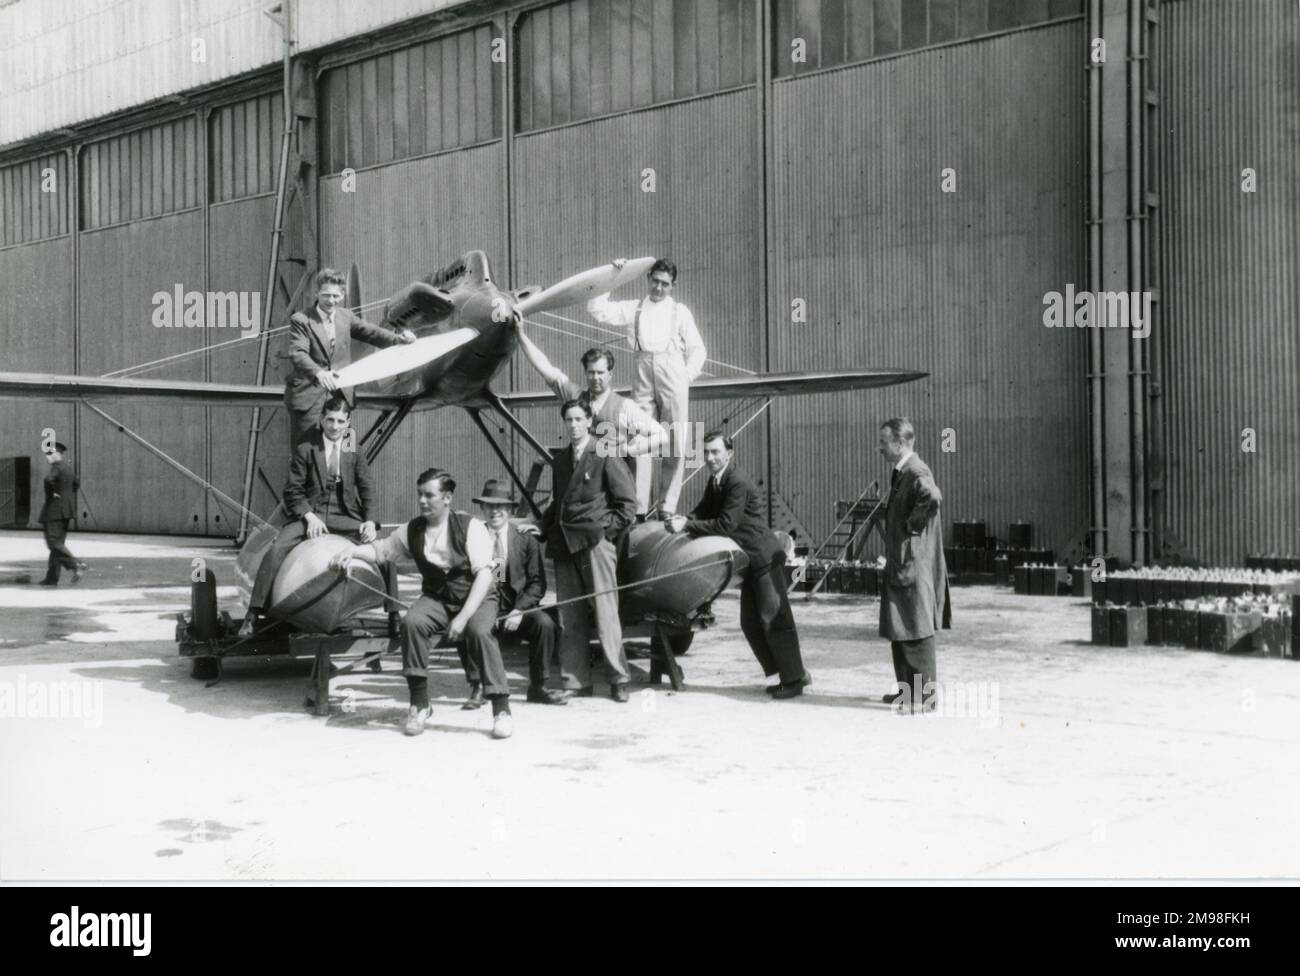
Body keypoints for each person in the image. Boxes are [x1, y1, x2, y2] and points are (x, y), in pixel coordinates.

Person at [331, 469, 513, 740]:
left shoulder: (470, 526)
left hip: (478, 595)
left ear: (448, 497)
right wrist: (352, 551)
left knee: (479, 631)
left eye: (430, 495)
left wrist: (463, 618)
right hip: (438, 598)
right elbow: (381, 551)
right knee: (412, 622)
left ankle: (501, 709)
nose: (423, 501)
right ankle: (419, 704)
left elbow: (486, 576)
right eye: (420, 495)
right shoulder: (412, 529)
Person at [665, 431, 810, 698]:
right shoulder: (717, 480)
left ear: (729, 454)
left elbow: (725, 524)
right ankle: (788, 673)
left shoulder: (736, 482)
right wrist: (682, 519)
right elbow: (704, 510)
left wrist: (688, 525)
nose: (710, 458)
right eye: (706, 452)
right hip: (751, 561)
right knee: (750, 622)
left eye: (715, 452)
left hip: (763, 557)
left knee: (774, 619)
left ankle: (795, 678)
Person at [242, 396, 377, 633]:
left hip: (344, 514)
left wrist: (370, 521)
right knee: (275, 551)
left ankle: (394, 613)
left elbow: (367, 487)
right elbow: (292, 490)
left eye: (341, 421)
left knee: (382, 550)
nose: (335, 427)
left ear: (348, 422)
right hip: (312, 514)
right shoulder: (307, 447)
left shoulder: (352, 446)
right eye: (330, 420)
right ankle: (253, 612)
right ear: (322, 420)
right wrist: (308, 515)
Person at [587, 258, 706, 517]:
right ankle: (638, 506)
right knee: (640, 437)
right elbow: (597, 309)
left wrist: (685, 377)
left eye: (665, 284)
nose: (659, 288)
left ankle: (667, 507)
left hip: (672, 370)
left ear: (672, 286)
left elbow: (698, 349)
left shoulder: (680, 311)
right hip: (642, 367)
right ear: (648, 278)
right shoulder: (635, 308)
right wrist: (614, 276)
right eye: (655, 281)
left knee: (675, 439)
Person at [541, 399, 637, 702]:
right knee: (570, 616)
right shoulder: (559, 461)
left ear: (589, 420)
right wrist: (540, 526)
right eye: (568, 420)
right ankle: (575, 680)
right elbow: (559, 504)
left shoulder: (604, 452)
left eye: (579, 419)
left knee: (606, 612)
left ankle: (618, 679)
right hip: (564, 544)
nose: (573, 425)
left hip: (595, 544)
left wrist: (603, 534)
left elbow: (627, 506)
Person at [514, 330, 666, 511]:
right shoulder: (576, 398)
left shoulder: (625, 407)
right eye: (591, 372)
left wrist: (627, 450)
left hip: (611, 496)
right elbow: (545, 368)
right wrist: (521, 334)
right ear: (585, 373)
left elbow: (661, 436)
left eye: (601, 372)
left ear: (611, 374)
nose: (595, 378)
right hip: (580, 490)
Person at [462, 479, 567, 708]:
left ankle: (538, 686)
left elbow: (537, 582)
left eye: (500, 506)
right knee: (470, 623)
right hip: (485, 606)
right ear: (482, 508)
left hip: (516, 608)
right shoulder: (473, 536)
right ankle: (477, 687)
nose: (495, 511)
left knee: (545, 624)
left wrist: (519, 610)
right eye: (489, 506)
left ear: (509, 509)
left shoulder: (524, 537)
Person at [284, 268, 417, 446]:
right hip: (309, 398)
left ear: (342, 294)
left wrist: (397, 339)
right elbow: (297, 353)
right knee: (305, 455)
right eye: (326, 295)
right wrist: (319, 373)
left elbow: (371, 333)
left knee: (342, 456)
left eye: (335, 296)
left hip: (340, 399)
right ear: (316, 293)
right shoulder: (301, 319)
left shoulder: (346, 317)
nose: (331, 301)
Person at [873, 418, 951, 714]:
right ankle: (907, 691)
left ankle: (925, 697)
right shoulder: (902, 471)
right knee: (900, 625)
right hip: (901, 562)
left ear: (901, 443)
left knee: (916, 627)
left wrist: (912, 529)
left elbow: (932, 496)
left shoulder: (916, 470)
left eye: (884, 442)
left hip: (912, 564)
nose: (879, 448)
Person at [37, 441, 87, 586]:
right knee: (58, 544)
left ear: (57, 454)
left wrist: (53, 494)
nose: (47, 457)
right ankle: (52, 578)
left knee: (53, 542)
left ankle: (76, 565)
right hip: (66, 512)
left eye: (49, 454)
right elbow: (76, 484)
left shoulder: (56, 467)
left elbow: (48, 480)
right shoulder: (69, 469)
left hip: (54, 511)